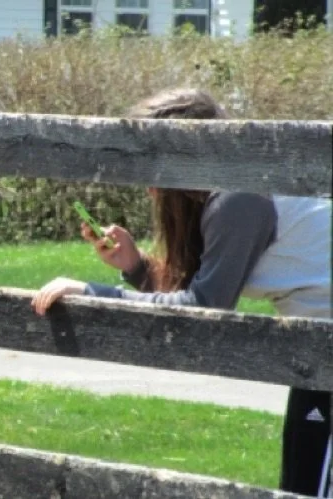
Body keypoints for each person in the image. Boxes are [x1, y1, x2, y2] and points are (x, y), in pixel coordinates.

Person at [30, 87, 332, 496]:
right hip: (316, 355)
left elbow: (203, 308)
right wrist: (136, 267)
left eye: (154, 160)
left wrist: (90, 292)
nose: (148, 181)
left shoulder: (239, 199)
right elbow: (199, 292)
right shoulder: (230, 195)